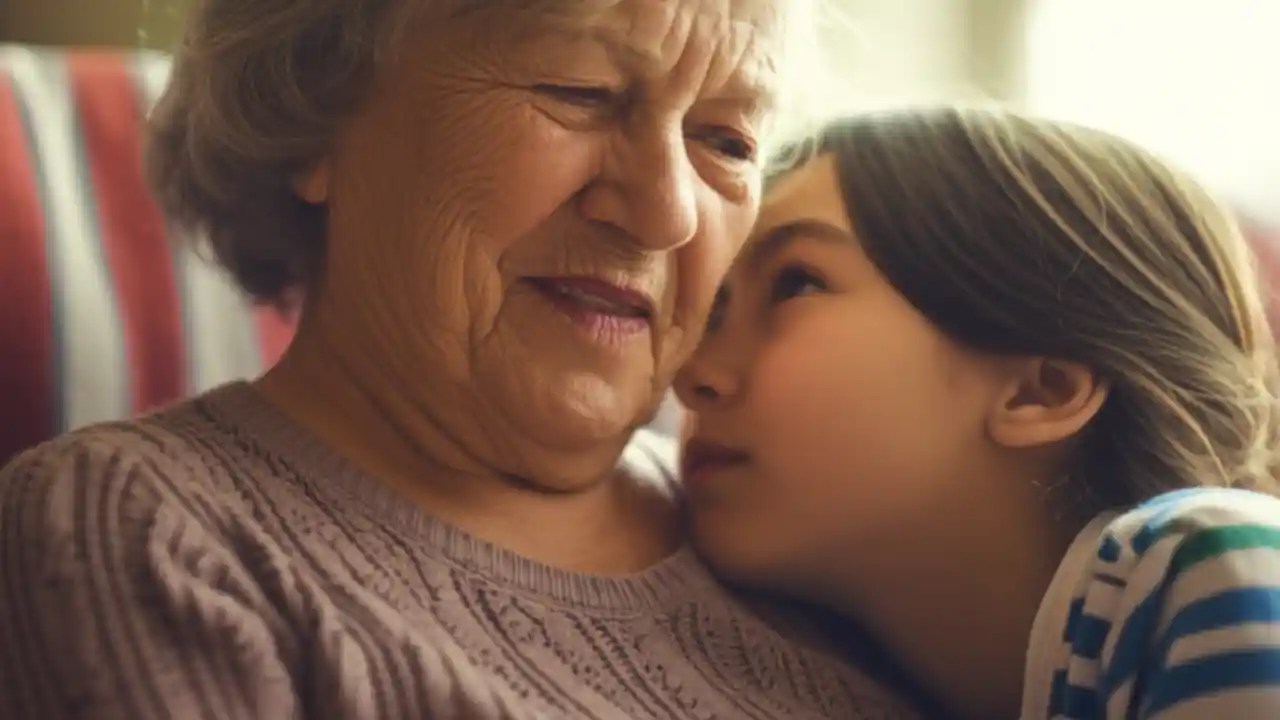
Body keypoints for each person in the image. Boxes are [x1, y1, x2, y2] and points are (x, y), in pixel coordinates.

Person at [0, 2, 922, 719]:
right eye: (579, 91)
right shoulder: (143, 528)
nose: (665, 212)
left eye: (727, 141)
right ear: (316, 118)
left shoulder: (790, 518)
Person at [676, 106, 1280, 719]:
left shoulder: (1215, 566)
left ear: (1040, 390)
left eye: (796, 283)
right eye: (717, 307)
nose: (690, 374)